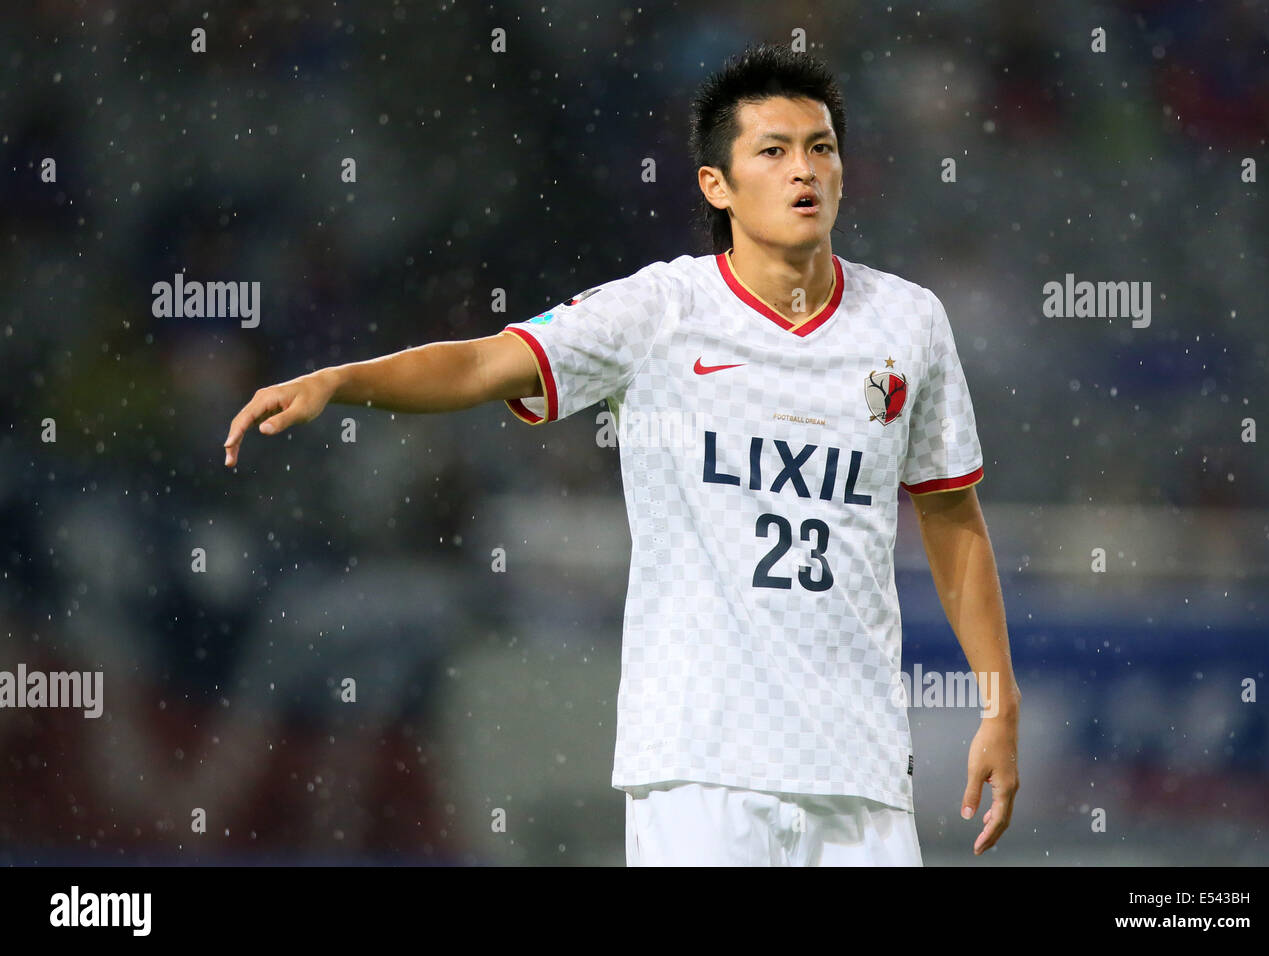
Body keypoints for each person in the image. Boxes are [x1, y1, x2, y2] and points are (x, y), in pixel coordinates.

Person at [223, 43, 1021, 866]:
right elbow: (484, 362)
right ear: (717, 184)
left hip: (860, 767)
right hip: (698, 766)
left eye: (821, 147)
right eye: (773, 151)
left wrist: (998, 705)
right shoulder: (660, 311)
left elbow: (951, 515)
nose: (804, 170)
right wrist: (340, 380)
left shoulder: (908, 323)